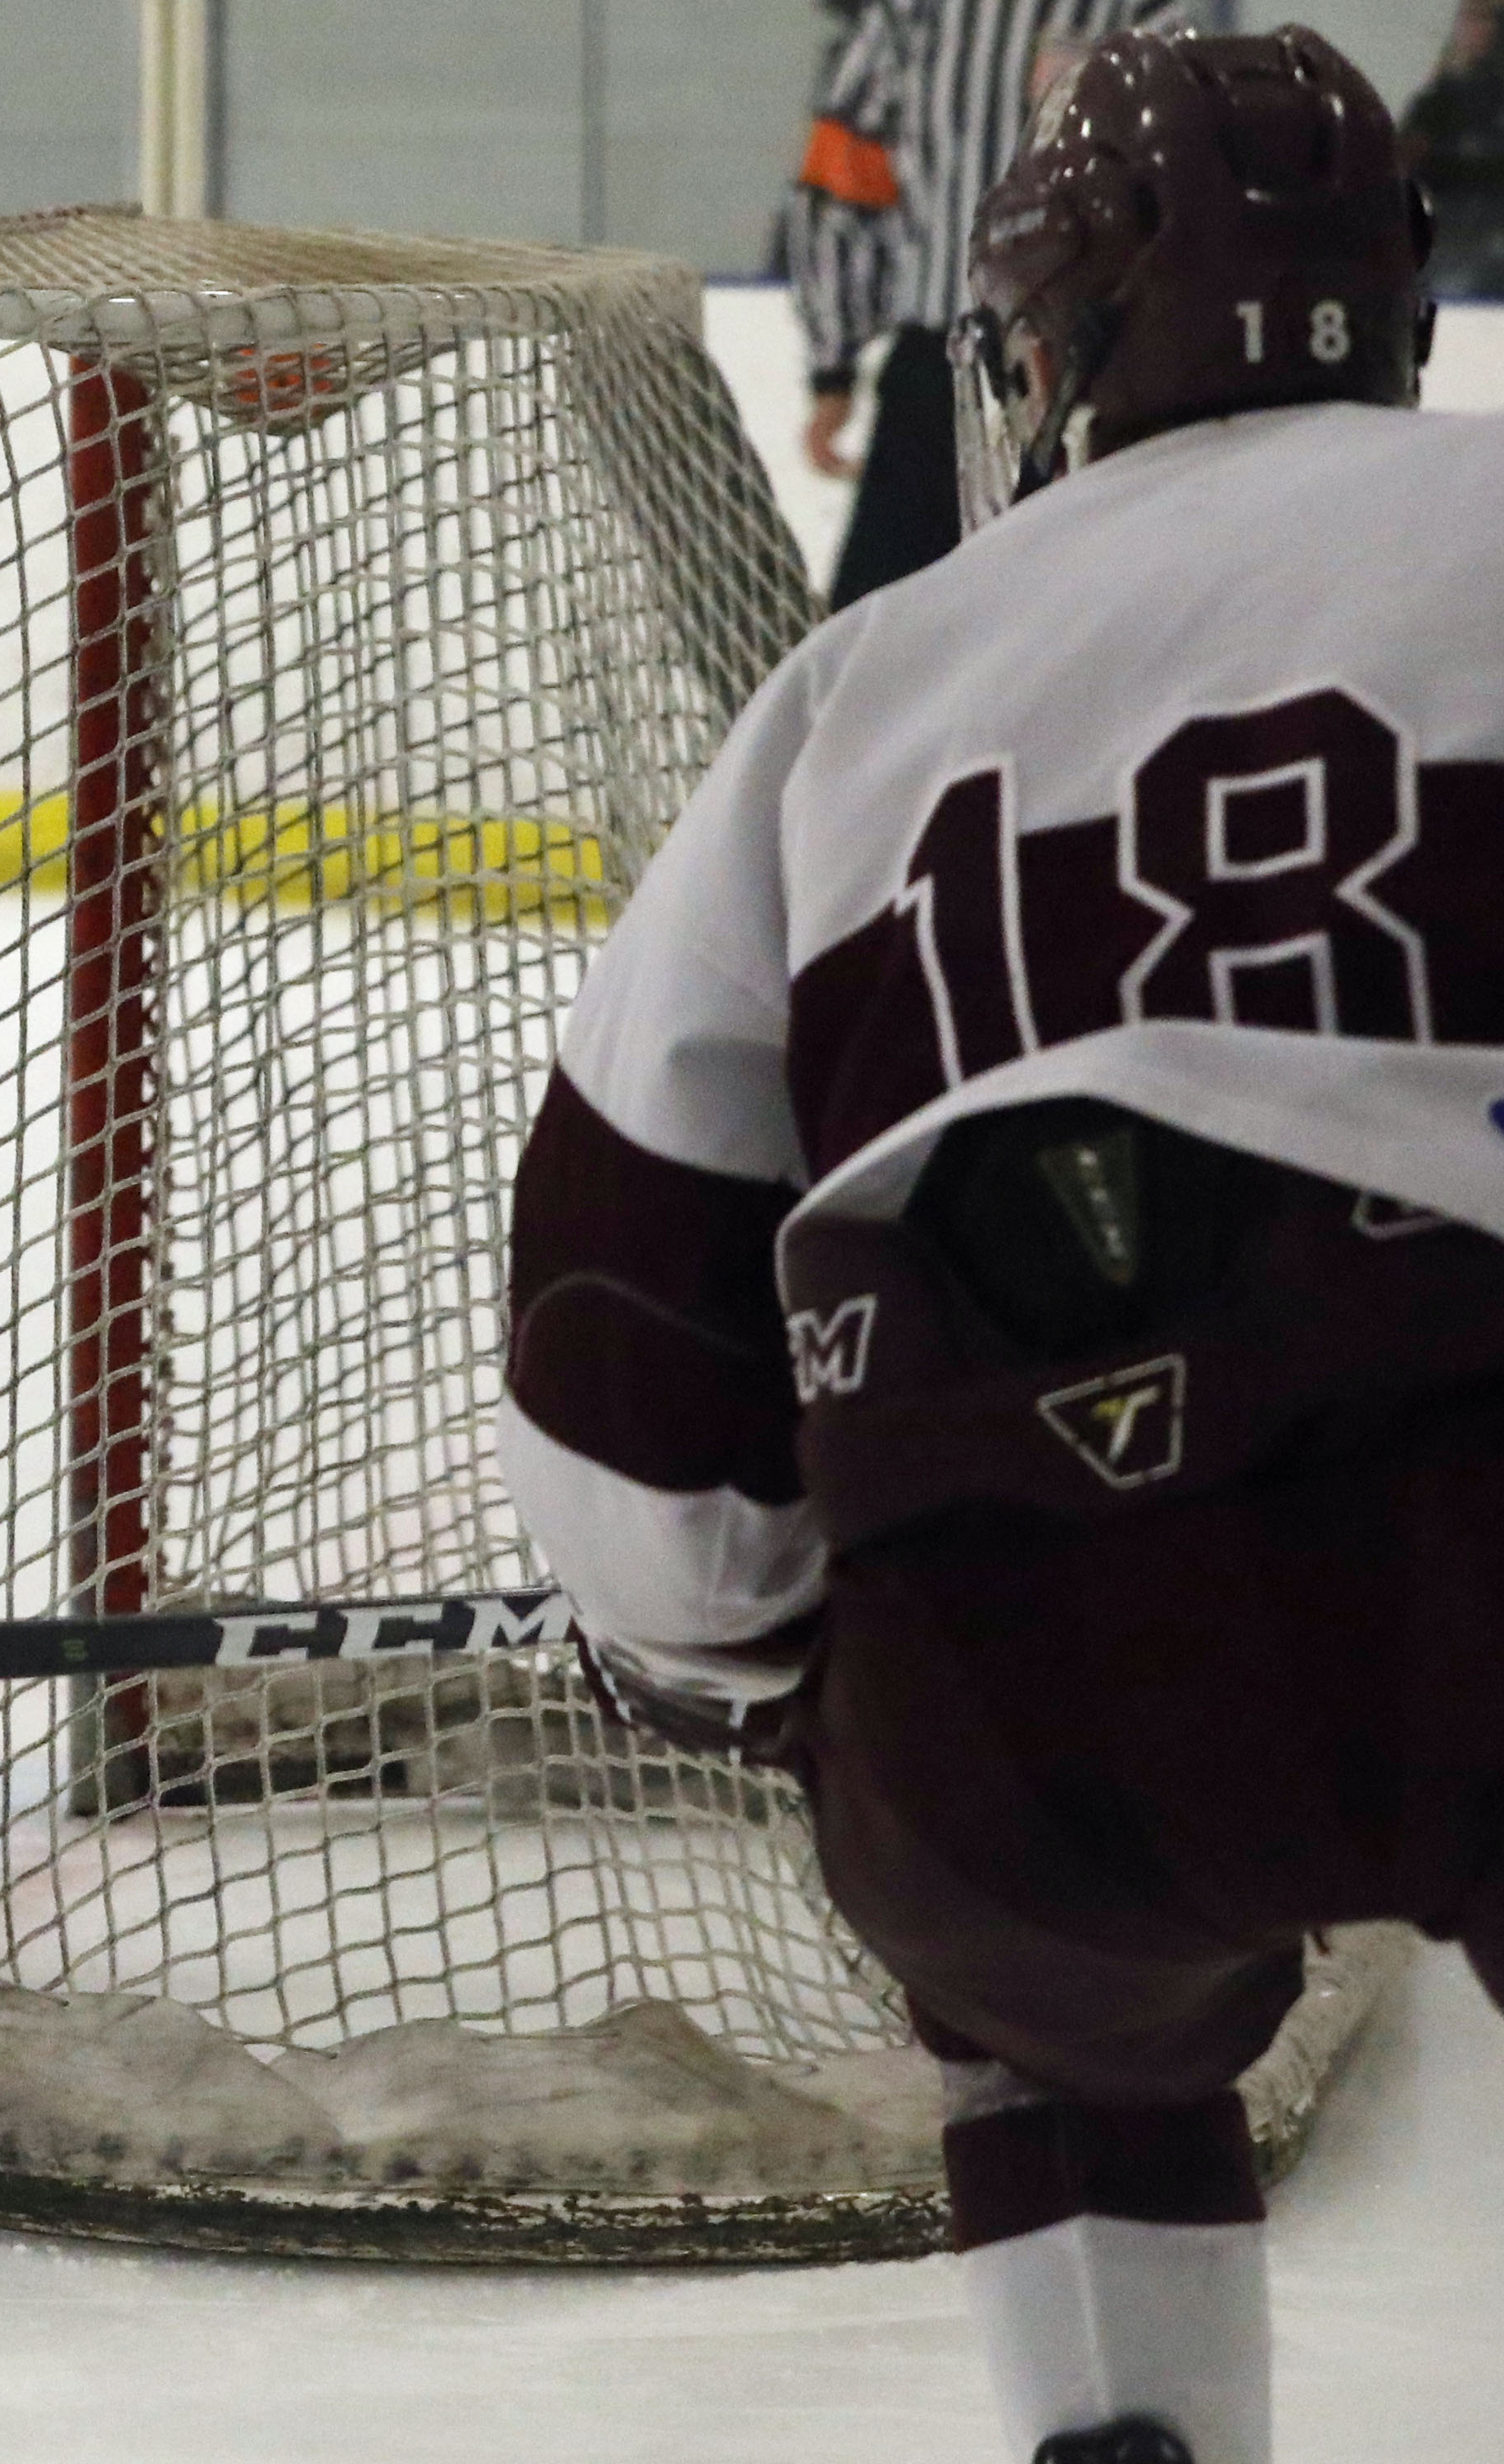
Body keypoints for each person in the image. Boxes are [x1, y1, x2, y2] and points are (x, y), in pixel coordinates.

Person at [502, 29, 1480, 2462]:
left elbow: (617, 1342)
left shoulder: (850, 695)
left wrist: (749, 1647)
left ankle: (1124, 2432)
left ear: (1045, 344)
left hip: (1028, 1679)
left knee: (1039, 1986)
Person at [789, 0, 1185, 609]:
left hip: (975, 368)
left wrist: (833, 360)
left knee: (889, 653)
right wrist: (832, 363)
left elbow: (844, 187)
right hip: (1076, 369)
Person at [1401, 0, 1504, 294]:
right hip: (1450, 245)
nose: (1479, 31)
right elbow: (1404, 166)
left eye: (1488, 20)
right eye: (1471, 20)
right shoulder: (1439, 103)